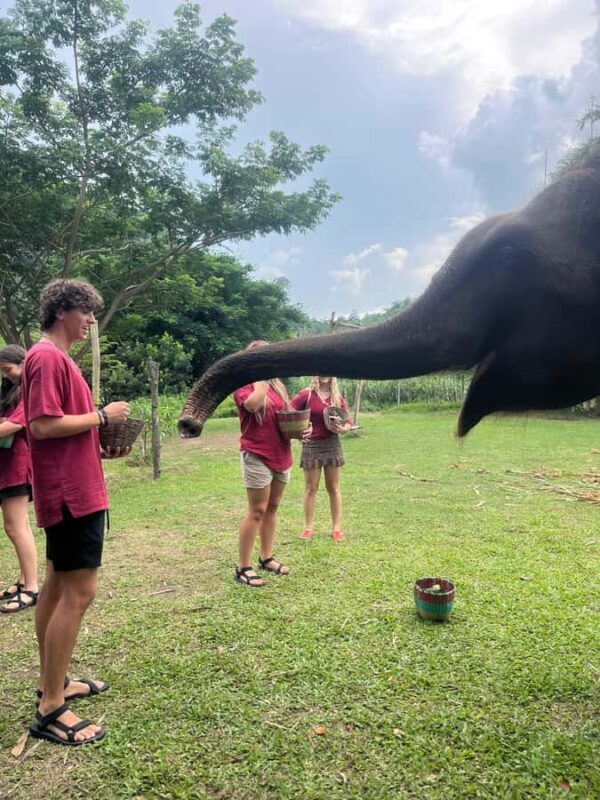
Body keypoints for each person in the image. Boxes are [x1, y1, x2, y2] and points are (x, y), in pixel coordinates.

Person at [21, 279, 130, 746]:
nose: (90, 322)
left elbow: (63, 427)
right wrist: (104, 417)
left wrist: (95, 438)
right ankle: (50, 709)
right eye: (86, 312)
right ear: (63, 310)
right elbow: (42, 426)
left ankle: (55, 683)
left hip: (69, 487)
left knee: (57, 583)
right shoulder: (46, 357)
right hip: (72, 495)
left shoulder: (52, 358)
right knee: (79, 592)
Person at [232, 340, 303, 587]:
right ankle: (243, 567)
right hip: (256, 453)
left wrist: (304, 428)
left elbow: (290, 415)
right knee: (257, 510)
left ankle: (266, 557)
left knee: (272, 508)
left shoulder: (279, 387)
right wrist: (260, 380)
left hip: (281, 454)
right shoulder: (244, 385)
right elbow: (252, 405)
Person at [0, 345, 39, 614]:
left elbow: (16, 424)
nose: (7, 376)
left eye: (8, 369)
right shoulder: (11, 390)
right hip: (7, 465)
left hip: (17, 464)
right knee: (16, 526)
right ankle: (24, 580)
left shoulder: (31, 389)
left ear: (23, 362)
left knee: (15, 527)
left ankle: (32, 588)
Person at [291, 376, 353, 541]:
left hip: (332, 444)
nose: (324, 375)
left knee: (333, 488)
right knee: (311, 488)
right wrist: (299, 430)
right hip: (311, 445)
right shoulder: (307, 395)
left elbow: (348, 421)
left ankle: (337, 528)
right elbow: (289, 410)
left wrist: (343, 428)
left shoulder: (337, 398)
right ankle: (308, 528)